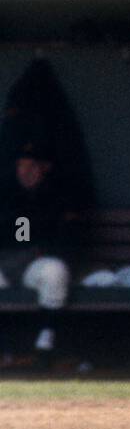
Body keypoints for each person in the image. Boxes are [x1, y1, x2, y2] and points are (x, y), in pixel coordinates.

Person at [0, 139, 78, 369]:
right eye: (22, 166)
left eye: (32, 166)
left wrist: (45, 250)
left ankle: (45, 345)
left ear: (43, 168)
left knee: (55, 272)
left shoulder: (57, 194)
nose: (26, 171)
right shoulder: (5, 191)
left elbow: (67, 239)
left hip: (36, 264)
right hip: (5, 262)